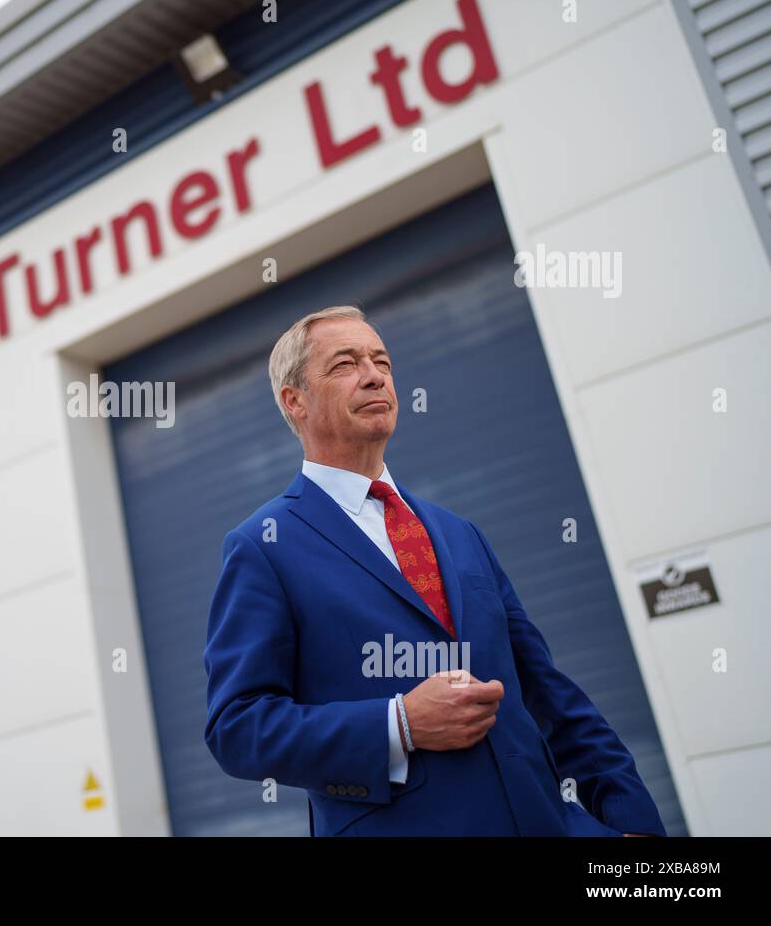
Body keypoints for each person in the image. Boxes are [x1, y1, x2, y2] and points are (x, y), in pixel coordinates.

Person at [202, 304, 666, 837]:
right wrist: (398, 725)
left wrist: (632, 823)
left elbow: (548, 691)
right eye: (345, 364)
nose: (375, 374)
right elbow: (238, 729)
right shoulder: (264, 545)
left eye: (382, 361)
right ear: (295, 401)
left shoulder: (459, 533)